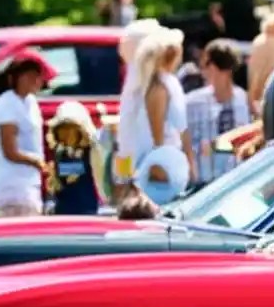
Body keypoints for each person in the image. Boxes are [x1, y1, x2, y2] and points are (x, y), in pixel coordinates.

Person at [132, 27, 194, 205]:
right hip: (161, 166)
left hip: (170, 161)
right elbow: (157, 135)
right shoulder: (159, 87)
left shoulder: (167, 83)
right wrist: (159, 165)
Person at [0, 52, 55, 218]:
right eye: (31, 76)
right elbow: (10, 151)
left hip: (29, 183)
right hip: (13, 186)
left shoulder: (31, 102)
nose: (37, 81)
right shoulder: (6, 104)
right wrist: (37, 162)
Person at [186, 40, 252, 185]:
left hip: (236, 178)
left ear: (213, 66)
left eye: (206, 64)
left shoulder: (243, 99)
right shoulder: (193, 102)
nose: (203, 70)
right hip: (204, 181)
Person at [116, 18, 161, 189]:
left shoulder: (132, 86)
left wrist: (123, 177)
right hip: (151, 177)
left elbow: (124, 141)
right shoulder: (144, 87)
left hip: (140, 175)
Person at [46, 101, 107, 216]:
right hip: (62, 212)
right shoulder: (60, 153)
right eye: (62, 129)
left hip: (87, 211)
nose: (66, 134)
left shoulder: (92, 151)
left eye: (70, 129)